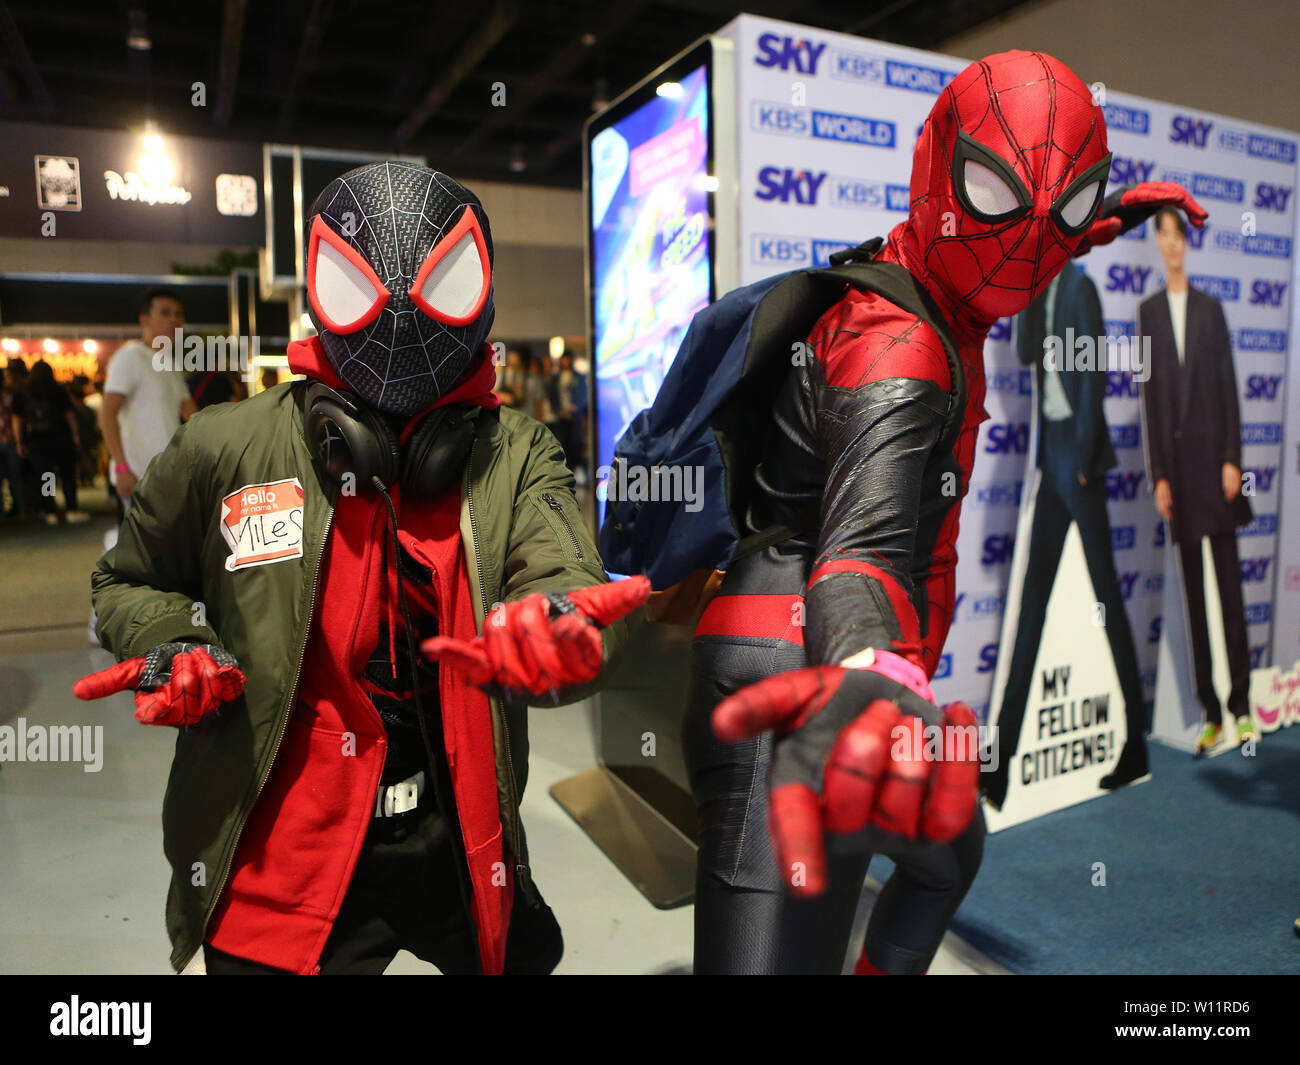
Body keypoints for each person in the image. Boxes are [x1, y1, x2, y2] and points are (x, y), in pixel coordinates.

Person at [681, 50, 1204, 974]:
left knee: (945, 855)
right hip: (797, 671)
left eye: (1065, 211)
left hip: (801, 642)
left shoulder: (924, 275)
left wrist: (1090, 226)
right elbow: (863, 553)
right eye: (1001, 194)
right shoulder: (904, 348)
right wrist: (871, 674)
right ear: (940, 167)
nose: (1036, 246)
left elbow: (1008, 236)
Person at [77, 163, 645, 975]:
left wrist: (558, 627)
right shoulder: (225, 448)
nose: (404, 314)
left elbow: (564, 576)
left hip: (460, 839)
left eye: (437, 282)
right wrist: (173, 639)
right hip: (282, 854)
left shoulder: (514, 453)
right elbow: (128, 579)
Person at [982, 261, 1149, 810]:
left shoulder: (1082, 289)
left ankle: (1135, 744)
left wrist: (1079, 460)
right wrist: (1030, 291)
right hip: (1049, 459)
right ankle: (1001, 764)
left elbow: (1093, 379)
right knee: (1033, 608)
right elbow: (1028, 353)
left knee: (1108, 601)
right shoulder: (1043, 291)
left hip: (1078, 463)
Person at [1139, 206, 1256, 756]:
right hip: (1179, 478)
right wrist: (1158, 473)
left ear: (1187, 242)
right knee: (1194, 596)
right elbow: (1151, 403)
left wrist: (1233, 458)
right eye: (1163, 235)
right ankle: (1211, 709)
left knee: (1229, 592)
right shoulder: (1148, 313)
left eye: (1178, 234)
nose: (1171, 244)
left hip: (1215, 468)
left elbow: (1230, 390)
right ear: (1156, 243)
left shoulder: (1212, 310)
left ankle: (1243, 706)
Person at [99, 288, 196, 507]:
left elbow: (192, 415)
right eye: (165, 313)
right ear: (144, 319)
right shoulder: (130, 356)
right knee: (144, 540)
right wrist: (122, 468)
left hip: (169, 475)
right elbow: (107, 415)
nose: (174, 319)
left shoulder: (169, 362)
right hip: (138, 476)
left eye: (179, 314)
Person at [12, 359, 88, 524]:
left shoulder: (23, 393)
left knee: (46, 476)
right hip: (61, 438)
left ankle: (50, 511)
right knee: (67, 475)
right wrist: (75, 437)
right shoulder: (58, 390)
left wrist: (19, 442)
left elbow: (17, 420)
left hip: (37, 441)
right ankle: (71, 509)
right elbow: (70, 416)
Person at [0, 361, 27, 519]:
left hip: (10, 441)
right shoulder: (12, 396)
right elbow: (17, 419)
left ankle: (2, 512)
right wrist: (19, 441)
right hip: (11, 440)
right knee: (16, 477)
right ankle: (23, 510)